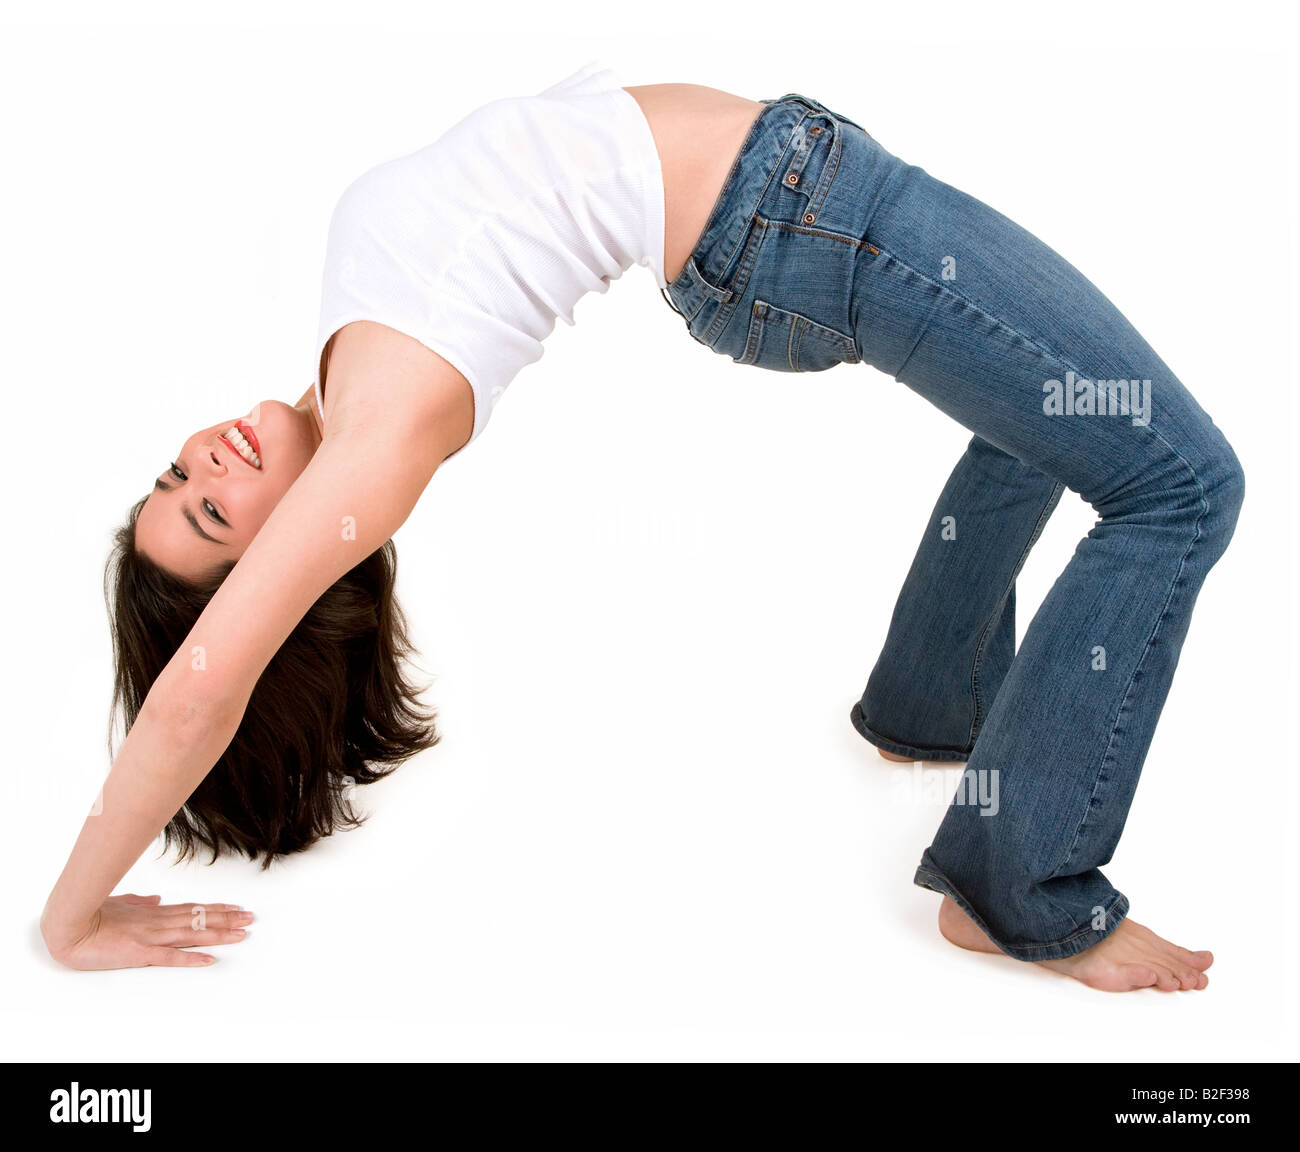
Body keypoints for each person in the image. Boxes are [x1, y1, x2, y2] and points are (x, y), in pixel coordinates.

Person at [41, 62, 1242, 990]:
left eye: (172, 472)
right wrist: (71, 917)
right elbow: (199, 686)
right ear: (273, 571)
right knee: (1181, 484)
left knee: (1047, 416)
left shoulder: (344, 363)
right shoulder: (375, 447)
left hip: (814, 193)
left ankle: (931, 709)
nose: (205, 461)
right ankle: (1016, 884)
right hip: (812, 228)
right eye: (209, 516)